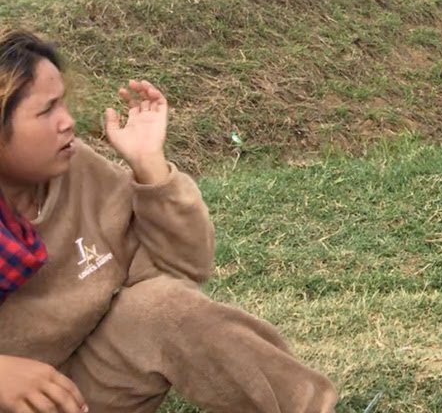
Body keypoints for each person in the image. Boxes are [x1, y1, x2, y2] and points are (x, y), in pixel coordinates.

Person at [0, 29, 337, 412]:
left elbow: (181, 266)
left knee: (164, 308)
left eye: (63, 103)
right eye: (46, 111)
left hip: (76, 392)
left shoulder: (79, 171)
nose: (68, 122)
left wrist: (151, 170)